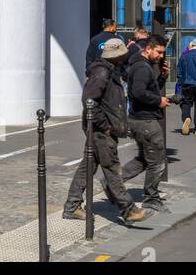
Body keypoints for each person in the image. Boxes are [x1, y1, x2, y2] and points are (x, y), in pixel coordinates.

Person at [63, 38, 147, 225]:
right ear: (117, 55)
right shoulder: (102, 72)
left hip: (102, 129)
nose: (126, 55)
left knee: (88, 167)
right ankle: (128, 209)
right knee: (111, 168)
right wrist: (106, 126)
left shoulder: (111, 70)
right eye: (124, 53)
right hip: (101, 131)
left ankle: (72, 205)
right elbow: (89, 101)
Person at [123, 32, 171, 210]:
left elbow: (147, 89)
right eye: (158, 52)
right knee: (158, 161)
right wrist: (159, 101)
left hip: (140, 119)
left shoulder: (142, 65)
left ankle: (114, 182)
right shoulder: (143, 67)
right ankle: (151, 197)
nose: (161, 56)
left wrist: (162, 78)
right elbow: (138, 92)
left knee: (144, 159)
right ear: (148, 49)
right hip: (146, 121)